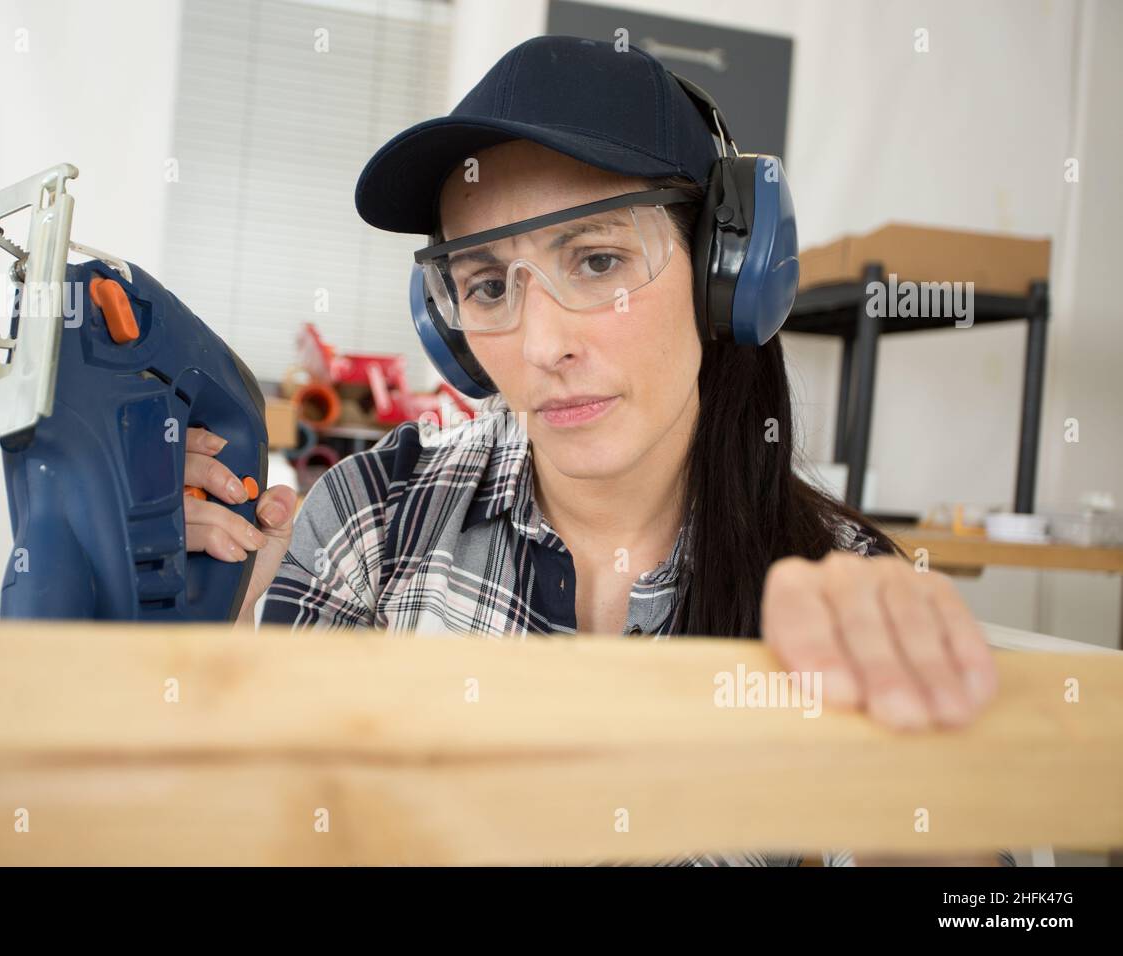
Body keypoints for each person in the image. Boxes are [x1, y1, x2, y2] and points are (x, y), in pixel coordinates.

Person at [179, 37, 1000, 828]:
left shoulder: (837, 584)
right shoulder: (374, 518)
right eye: (490, 284)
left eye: (598, 261)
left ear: (727, 271)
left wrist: (912, 772)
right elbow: (263, 824)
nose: (541, 346)